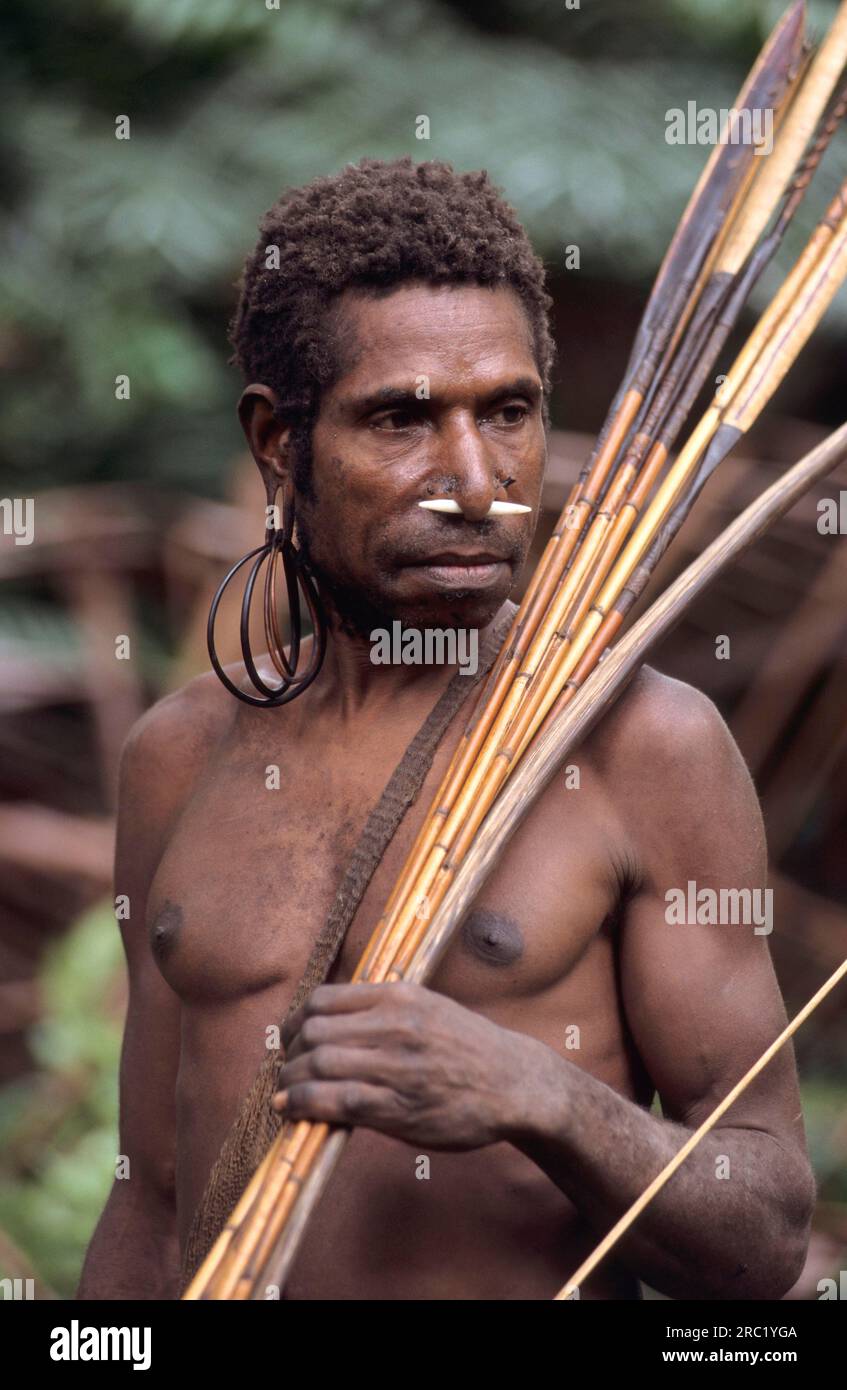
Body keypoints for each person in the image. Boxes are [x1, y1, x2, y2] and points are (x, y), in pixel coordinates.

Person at [78, 157, 813, 1301]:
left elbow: (764, 1234)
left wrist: (543, 1095)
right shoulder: (179, 753)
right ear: (280, 444)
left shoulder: (641, 745)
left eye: (508, 413)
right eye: (404, 418)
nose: (477, 482)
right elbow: (152, 1201)